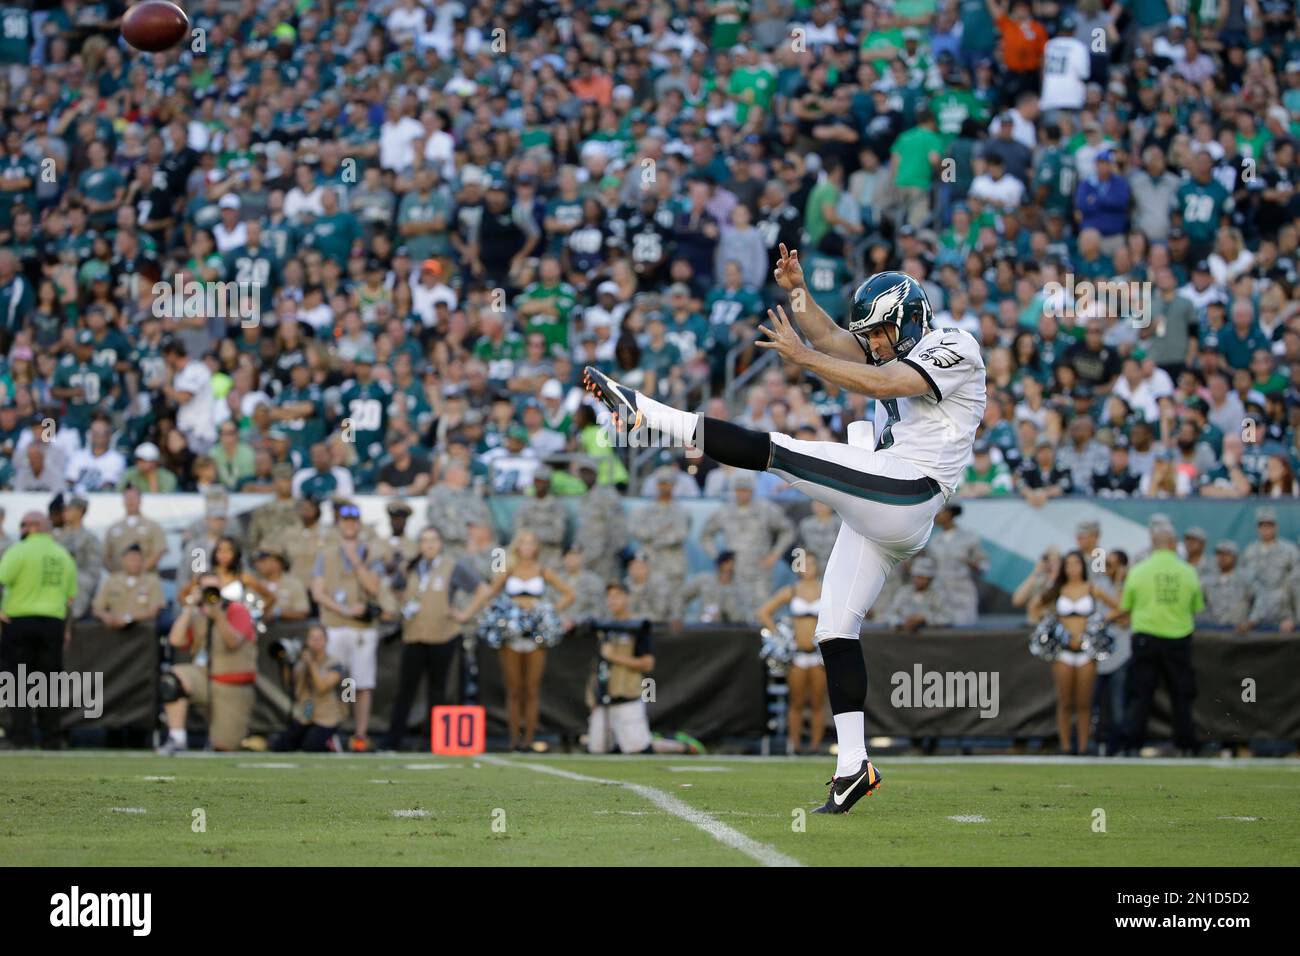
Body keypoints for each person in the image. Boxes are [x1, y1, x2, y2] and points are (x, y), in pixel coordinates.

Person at [583, 251, 987, 813]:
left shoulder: (954, 346)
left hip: (908, 489)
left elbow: (886, 382)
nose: (871, 341)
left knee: (780, 451)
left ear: (910, 318)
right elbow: (835, 339)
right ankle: (854, 766)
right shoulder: (887, 343)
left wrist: (802, 356)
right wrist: (799, 295)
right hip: (884, 500)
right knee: (833, 629)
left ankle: (652, 418)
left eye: (880, 331)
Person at [460, 529, 575, 752]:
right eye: (523, 542)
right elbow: (488, 593)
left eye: (532, 542)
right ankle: (514, 740)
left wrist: (547, 611)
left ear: (537, 548)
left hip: (535, 632)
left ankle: (529, 740)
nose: (528, 547)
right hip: (511, 632)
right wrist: (469, 613)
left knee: (532, 689)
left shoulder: (543, 571)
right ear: (517, 546)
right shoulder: (507, 569)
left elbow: (570, 594)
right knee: (514, 689)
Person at [384, 527, 489, 751]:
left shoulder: (452, 566)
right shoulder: (410, 567)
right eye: (424, 541)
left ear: (440, 543)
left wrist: (464, 614)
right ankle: (392, 741)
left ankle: (435, 741)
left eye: (433, 540)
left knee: (438, 690)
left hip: (443, 636)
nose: (429, 545)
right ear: (419, 545)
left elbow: (482, 589)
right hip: (414, 634)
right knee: (406, 690)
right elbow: (394, 591)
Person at [1112, 523, 1205, 756]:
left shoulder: (1139, 571)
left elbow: (1126, 606)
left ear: (1153, 544)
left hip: (1146, 638)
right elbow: (1197, 606)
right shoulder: (1188, 571)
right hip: (1179, 638)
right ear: (1174, 544)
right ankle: (1186, 745)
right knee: (1181, 695)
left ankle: (1131, 745)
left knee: (1139, 694)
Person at [585, 580, 701, 755]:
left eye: (617, 596)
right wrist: (592, 697)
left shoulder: (638, 626)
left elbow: (647, 664)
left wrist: (614, 657)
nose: (612, 601)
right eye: (609, 597)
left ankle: (680, 747)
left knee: (639, 749)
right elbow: (596, 667)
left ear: (627, 598)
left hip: (627, 696)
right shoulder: (604, 627)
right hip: (604, 699)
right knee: (597, 749)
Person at [310, 501, 386, 752]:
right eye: (345, 521)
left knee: (361, 682)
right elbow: (317, 591)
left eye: (353, 521)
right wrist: (342, 609)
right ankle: (336, 729)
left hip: (361, 629)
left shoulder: (370, 552)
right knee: (342, 682)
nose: (350, 525)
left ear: (359, 524)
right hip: (336, 624)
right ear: (339, 524)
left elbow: (373, 587)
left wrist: (355, 560)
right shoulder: (327, 553)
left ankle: (360, 733)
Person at [1028, 550, 1119, 754]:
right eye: (1068, 564)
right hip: (1064, 651)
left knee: (1084, 702)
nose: (1072, 568)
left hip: (1086, 651)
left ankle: (1085, 746)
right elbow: (1034, 607)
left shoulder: (1092, 588)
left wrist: (1100, 621)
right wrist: (1049, 621)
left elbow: (1118, 607)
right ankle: (1066, 746)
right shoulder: (1058, 589)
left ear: (1083, 567)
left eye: (1076, 564)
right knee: (1065, 701)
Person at [0, 512, 78, 749]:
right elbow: (70, 598)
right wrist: (66, 628)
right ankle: (51, 738)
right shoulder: (62, 555)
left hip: (19, 621)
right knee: (50, 683)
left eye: (23, 524)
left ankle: (21, 738)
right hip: (52, 623)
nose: (21, 529)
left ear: (32, 527)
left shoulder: (18, 551)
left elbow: (1, 577)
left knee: (18, 683)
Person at [163, 571, 259, 753]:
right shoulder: (198, 613)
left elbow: (233, 643)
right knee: (172, 679)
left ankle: (219, 737)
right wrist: (189, 606)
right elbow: (175, 640)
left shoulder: (237, 610)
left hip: (231, 684)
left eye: (213, 588)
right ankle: (177, 738)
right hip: (203, 677)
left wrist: (218, 615)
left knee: (224, 747)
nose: (209, 593)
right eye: (205, 588)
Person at [758, 550, 828, 755]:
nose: (808, 568)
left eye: (812, 564)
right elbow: (763, 612)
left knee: (817, 702)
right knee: (796, 702)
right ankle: (795, 746)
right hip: (797, 654)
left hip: (818, 655)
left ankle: (815, 746)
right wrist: (780, 635)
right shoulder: (792, 590)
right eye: (804, 564)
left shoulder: (826, 590)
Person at [273, 625, 344, 753]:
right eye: (312, 638)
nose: (316, 641)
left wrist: (311, 663)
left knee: (312, 746)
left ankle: (332, 742)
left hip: (326, 717)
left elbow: (322, 687)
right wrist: (286, 663)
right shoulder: (301, 662)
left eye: (319, 638)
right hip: (305, 714)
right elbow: (289, 684)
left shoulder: (334, 662)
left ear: (326, 640)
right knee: (281, 745)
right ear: (307, 641)